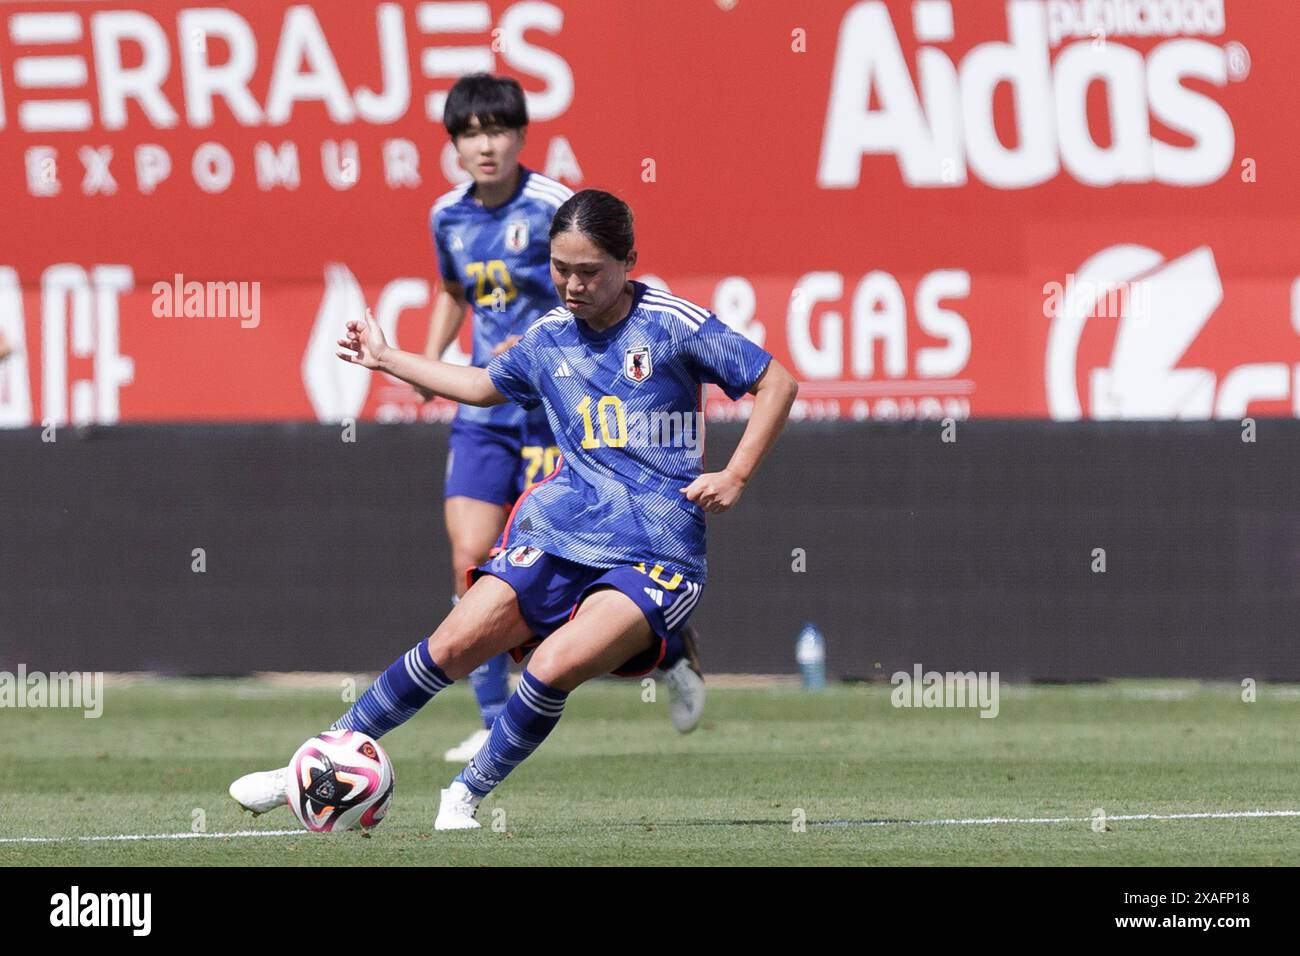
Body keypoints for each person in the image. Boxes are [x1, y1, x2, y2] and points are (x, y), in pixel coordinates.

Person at [229, 189, 797, 830]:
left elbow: (776, 381)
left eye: (590, 271)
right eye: (561, 268)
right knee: (448, 646)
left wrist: (737, 473)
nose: (573, 285)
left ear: (629, 261)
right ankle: (310, 763)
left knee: (551, 666)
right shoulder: (549, 337)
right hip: (560, 531)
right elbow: (478, 385)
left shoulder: (672, 322)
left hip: (657, 550)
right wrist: (385, 357)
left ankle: (463, 796)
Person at [424, 74, 703, 759]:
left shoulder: (553, 206)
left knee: (581, 552)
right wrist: (430, 362)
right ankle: (491, 714)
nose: (485, 145)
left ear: (521, 135)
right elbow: (454, 290)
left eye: (498, 130)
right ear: (454, 145)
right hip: (492, 406)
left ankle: (668, 649)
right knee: (470, 555)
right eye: (471, 133)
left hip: (559, 407)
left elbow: (603, 283)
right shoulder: (447, 216)